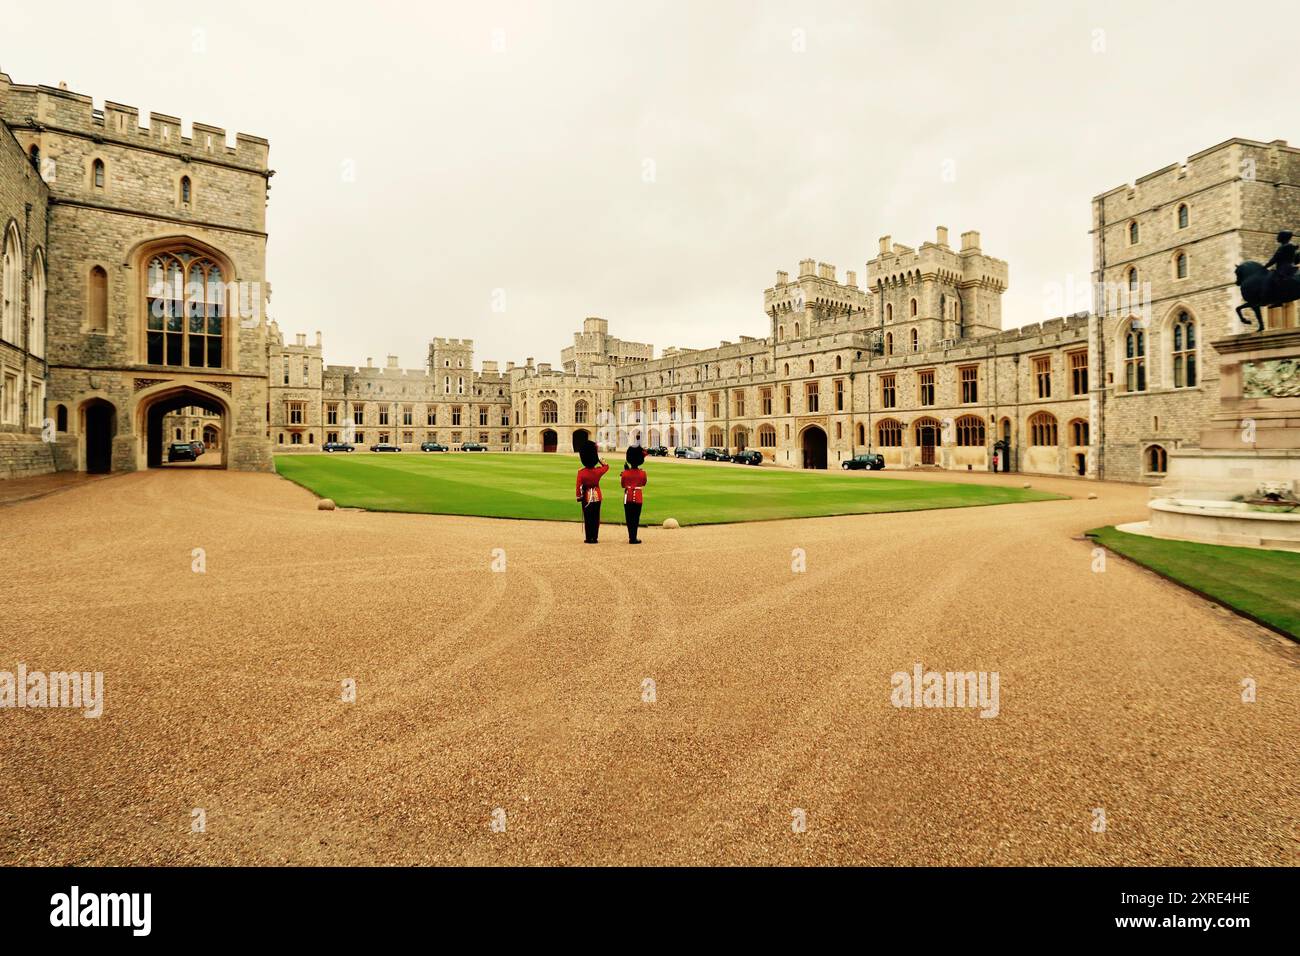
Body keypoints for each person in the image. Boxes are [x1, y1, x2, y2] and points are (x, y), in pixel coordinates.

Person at [575, 440, 609, 544]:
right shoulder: (598, 471)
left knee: (588, 517)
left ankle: (588, 537)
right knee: (596, 517)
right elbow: (606, 467)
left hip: (586, 496)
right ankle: (595, 537)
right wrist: (598, 459)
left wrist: (579, 496)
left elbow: (578, 486)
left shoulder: (581, 472)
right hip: (597, 495)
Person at [620, 445, 648, 544]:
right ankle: (634, 538)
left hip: (627, 497)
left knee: (629, 518)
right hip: (638, 498)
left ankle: (631, 537)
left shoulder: (625, 473)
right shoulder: (643, 473)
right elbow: (644, 483)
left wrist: (626, 472)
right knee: (636, 518)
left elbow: (623, 485)